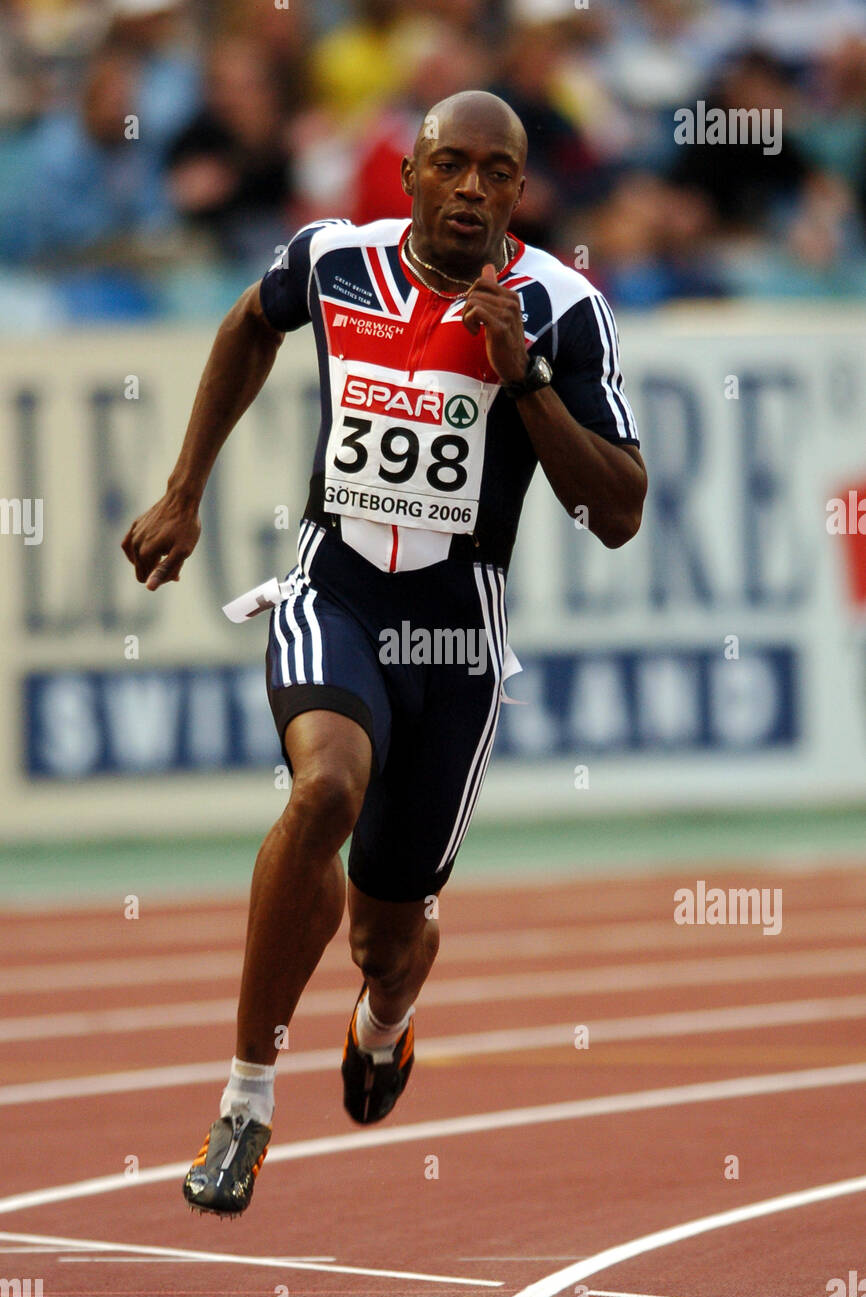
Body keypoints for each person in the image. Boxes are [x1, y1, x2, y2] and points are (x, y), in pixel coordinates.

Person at [121, 89, 647, 1217]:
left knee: (386, 934)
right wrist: (183, 491)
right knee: (323, 788)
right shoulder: (332, 261)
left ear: (520, 189)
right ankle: (246, 1102)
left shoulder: (560, 309)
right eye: (448, 166)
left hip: (457, 638)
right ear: (405, 174)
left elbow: (619, 509)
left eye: (494, 173)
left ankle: (386, 1021)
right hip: (333, 591)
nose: (469, 188)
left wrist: (529, 384)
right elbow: (247, 325)